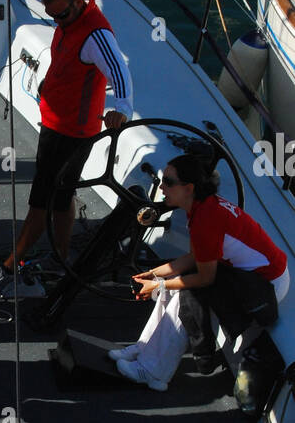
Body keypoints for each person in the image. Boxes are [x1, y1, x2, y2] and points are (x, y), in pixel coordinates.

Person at [0, 0, 132, 299]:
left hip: (71, 133)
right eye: (52, 16)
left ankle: (9, 267)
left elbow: (120, 71)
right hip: (55, 124)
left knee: (41, 202)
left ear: (78, 1)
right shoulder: (70, 21)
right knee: (62, 198)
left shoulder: (96, 34)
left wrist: (123, 109)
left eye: (61, 14)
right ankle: (61, 258)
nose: (57, 21)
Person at [112, 155, 289, 391]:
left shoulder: (205, 220)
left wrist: (159, 286)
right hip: (246, 275)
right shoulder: (202, 207)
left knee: (186, 297)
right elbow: (196, 257)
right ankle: (145, 347)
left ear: (189, 188)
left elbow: (206, 278)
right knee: (174, 285)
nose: (161, 186)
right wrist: (154, 275)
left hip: (263, 286)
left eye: (168, 181)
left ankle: (154, 372)